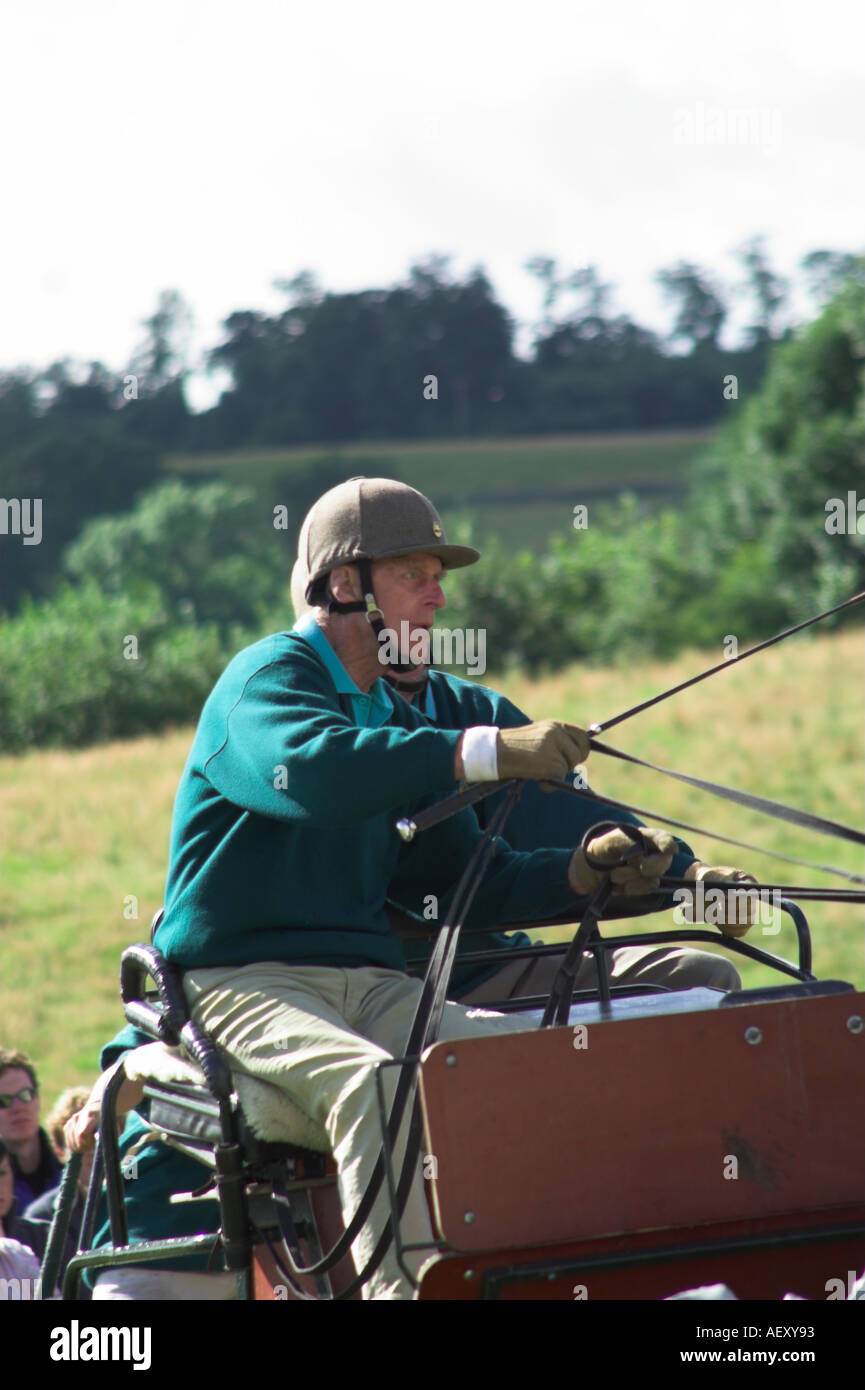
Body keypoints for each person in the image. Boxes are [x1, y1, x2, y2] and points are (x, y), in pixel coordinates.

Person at [149, 475, 683, 1300]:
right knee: (377, 1081)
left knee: (527, 1065)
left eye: (438, 578)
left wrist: (584, 873)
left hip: (372, 983)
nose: (437, 598)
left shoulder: (388, 721)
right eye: (413, 575)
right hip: (242, 982)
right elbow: (316, 776)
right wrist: (485, 749)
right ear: (341, 585)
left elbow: (461, 879)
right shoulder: (267, 678)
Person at [0, 1049, 61, 1211]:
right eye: (4, 1101)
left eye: (25, 1095)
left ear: (38, 1099)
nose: (18, 1107)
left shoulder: (72, 1165)